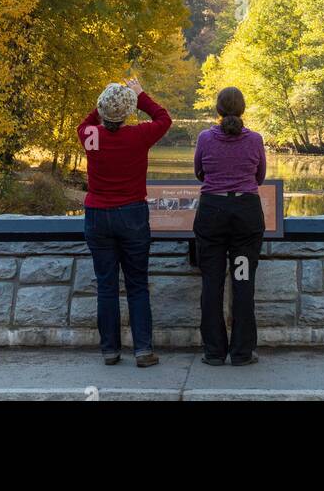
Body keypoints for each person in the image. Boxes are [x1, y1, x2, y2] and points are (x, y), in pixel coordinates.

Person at [77, 77, 171, 367]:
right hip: (131, 214)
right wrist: (140, 94)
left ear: (102, 112)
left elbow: (85, 123)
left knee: (106, 286)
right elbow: (163, 118)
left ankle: (110, 351)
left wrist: (104, 103)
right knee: (137, 284)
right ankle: (142, 350)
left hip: (97, 215)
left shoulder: (90, 135)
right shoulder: (139, 135)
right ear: (128, 111)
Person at [193, 86, 267, 367]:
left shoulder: (205, 138)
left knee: (211, 282)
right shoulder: (255, 140)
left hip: (212, 213)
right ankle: (242, 352)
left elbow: (199, 172)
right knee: (243, 281)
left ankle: (213, 352)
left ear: (218, 110)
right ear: (243, 109)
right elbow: (259, 176)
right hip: (245, 218)